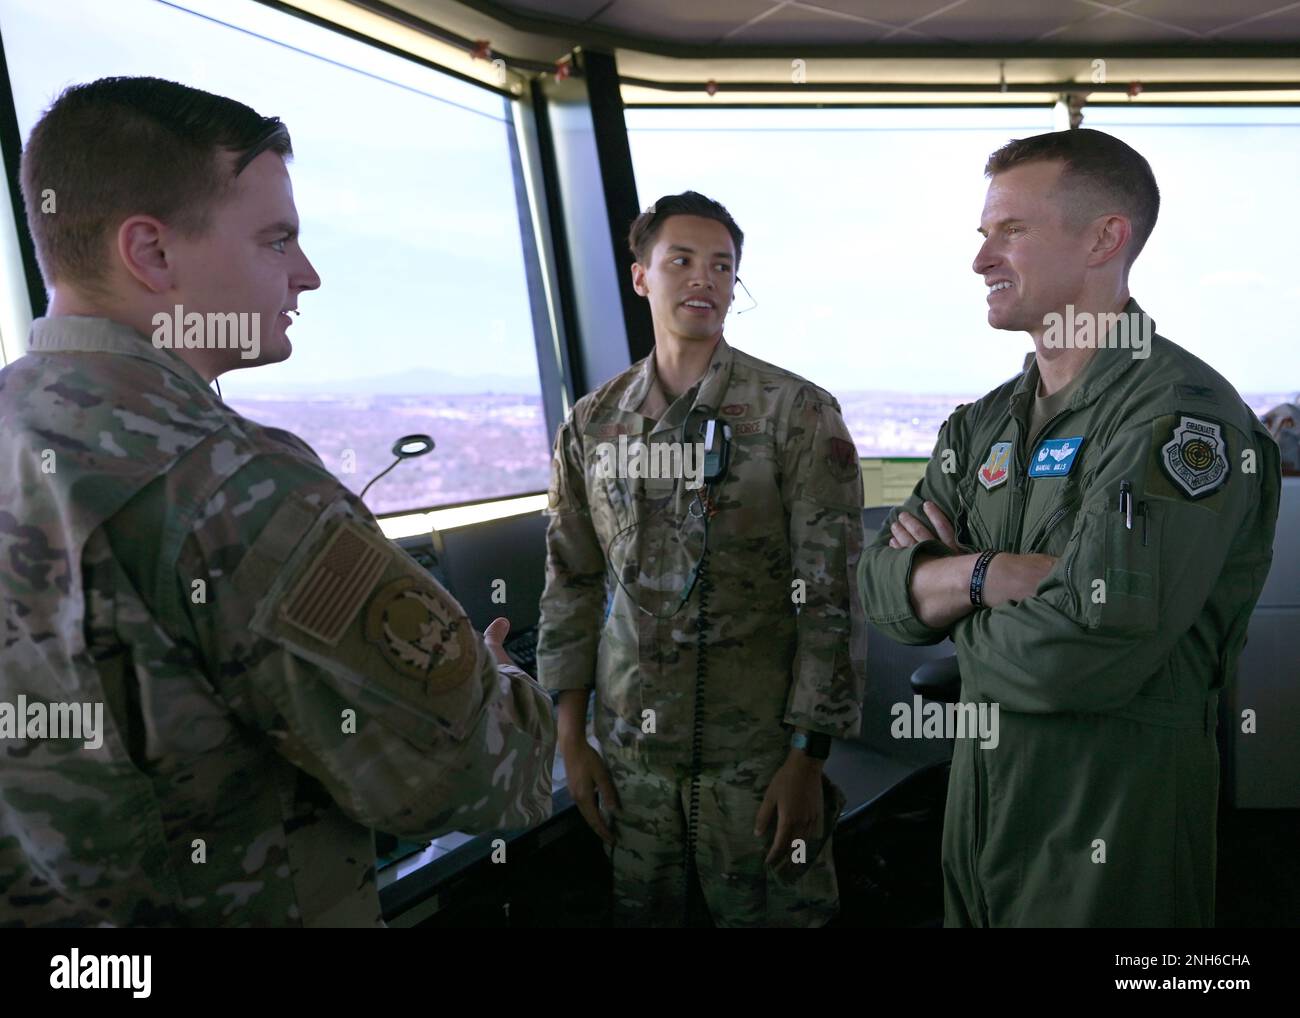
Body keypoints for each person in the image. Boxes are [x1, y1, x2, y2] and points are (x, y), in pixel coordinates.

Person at [0, 77, 554, 927]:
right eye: (276, 240)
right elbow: (481, 779)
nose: (308, 273)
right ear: (151, 253)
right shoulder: (233, 481)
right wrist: (507, 682)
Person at [859, 128, 1280, 927]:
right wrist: (985, 575)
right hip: (981, 799)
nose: (981, 260)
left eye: (1010, 231)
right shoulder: (981, 424)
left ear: (1104, 239)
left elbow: (1075, 659)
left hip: (1115, 808)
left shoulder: (1177, 419)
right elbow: (880, 592)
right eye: (984, 235)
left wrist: (948, 591)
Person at [536, 191, 866, 927]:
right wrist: (572, 737)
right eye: (681, 260)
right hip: (631, 761)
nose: (704, 280)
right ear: (640, 278)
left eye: (722, 266)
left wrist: (807, 759)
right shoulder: (593, 423)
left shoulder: (796, 413)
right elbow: (573, 580)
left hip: (757, 761)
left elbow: (832, 597)